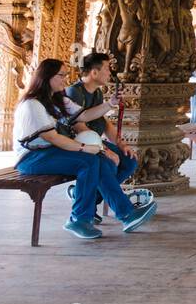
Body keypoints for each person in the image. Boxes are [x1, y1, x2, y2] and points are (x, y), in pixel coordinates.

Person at [14, 58, 157, 240]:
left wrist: (110, 104)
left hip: (51, 151)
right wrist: (87, 148)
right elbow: (53, 137)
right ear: (47, 77)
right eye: (61, 75)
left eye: (66, 75)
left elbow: (85, 115)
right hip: (31, 158)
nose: (65, 79)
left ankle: (120, 213)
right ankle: (82, 218)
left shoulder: (58, 99)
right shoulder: (32, 104)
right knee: (89, 161)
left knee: (96, 160)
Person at [64, 52, 151, 213]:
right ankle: (124, 212)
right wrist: (106, 150)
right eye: (106, 68)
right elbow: (78, 126)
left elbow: (102, 121)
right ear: (94, 72)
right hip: (81, 144)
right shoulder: (74, 92)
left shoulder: (96, 92)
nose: (109, 73)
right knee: (108, 164)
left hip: (95, 141)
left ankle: (83, 198)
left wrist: (120, 144)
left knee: (129, 160)